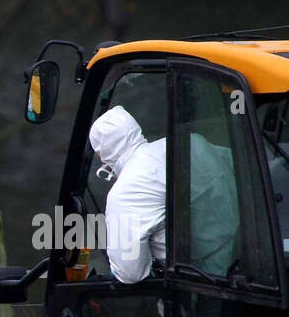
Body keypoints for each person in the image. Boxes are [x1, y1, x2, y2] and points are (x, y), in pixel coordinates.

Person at [89, 105, 236, 283]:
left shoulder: (124, 193)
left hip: (203, 283)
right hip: (243, 256)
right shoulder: (190, 142)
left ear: (103, 154)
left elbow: (130, 273)